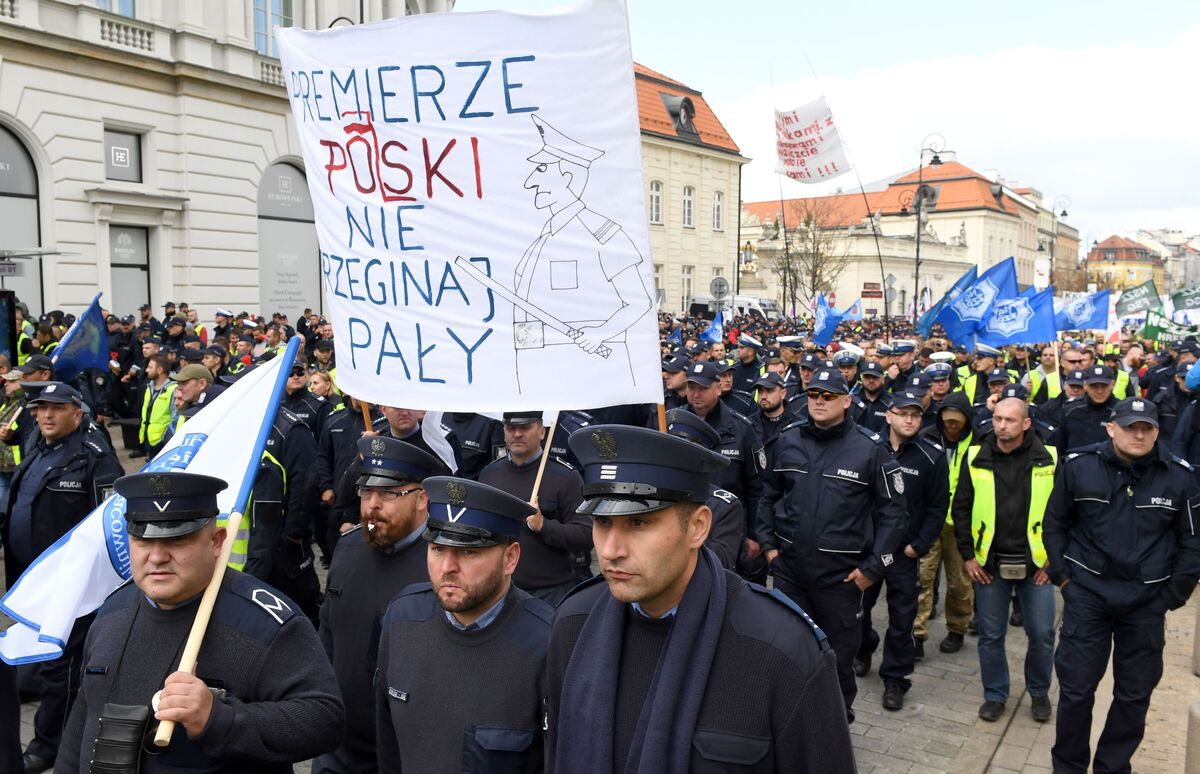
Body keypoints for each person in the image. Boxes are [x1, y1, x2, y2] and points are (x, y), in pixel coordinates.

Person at [547, 425, 856, 773]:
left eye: (638, 523)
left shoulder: (782, 650)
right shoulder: (573, 623)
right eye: (602, 521)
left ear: (697, 527)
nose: (610, 550)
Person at [56, 471, 344, 772]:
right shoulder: (113, 610)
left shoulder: (265, 623)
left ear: (217, 541)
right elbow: (83, 717)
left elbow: (324, 719)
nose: (157, 556)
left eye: (177, 539)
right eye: (143, 539)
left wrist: (219, 720)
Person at [1045, 398, 1200, 773]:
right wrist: (1065, 580)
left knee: (1134, 696)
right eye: (1131, 426)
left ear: (1157, 432)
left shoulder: (1179, 476)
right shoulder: (1079, 466)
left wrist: (1169, 596)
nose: (1139, 434)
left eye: (1147, 427)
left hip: (1146, 602)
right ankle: (1068, 767)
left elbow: (1193, 543)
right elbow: (1054, 525)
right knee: (1077, 691)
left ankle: (1112, 767)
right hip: (1087, 596)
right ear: (1112, 428)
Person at [757, 366, 908, 719]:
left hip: (840, 580)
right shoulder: (788, 439)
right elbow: (767, 497)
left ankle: (834, 738)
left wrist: (872, 569)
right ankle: (791, 731)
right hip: (790, 573)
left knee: (836, 664)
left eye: (827, 396)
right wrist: (770, 550)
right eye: (813, 395)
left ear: (846, 401)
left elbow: (894, 515)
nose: (819, 401)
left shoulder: (870, 450)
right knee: (788, 655)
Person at [374, 476, 552, 773]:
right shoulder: (403, 618)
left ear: (510, 558)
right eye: (438, 549)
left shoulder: (547, 643)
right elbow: (389, 744)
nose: (447, 568)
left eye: (469, 552)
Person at [3, 382, 123, 773]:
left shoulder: (95, 458)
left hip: (70, 585)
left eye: (56, 408)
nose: (46, 416)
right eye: (40, 409)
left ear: (78, 412)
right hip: (34, 578)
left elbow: (111, 525)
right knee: (41, 654)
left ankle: (49, 744)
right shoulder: (41, 446)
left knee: (62, 666)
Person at [314, 436, 447, 774]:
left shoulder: (443, 567)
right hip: (336, 748)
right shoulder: (347, 550)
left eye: (388, 494)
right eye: (366, 492)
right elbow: (329, 639)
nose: (372, 505)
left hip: (402, 755)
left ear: (422, 499)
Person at [952, 397, 1057, 723]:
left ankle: (1039, 692)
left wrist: (1054, 561)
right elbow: (961, 508)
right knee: (991, 636)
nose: (1001, 425)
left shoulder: (1049, 459)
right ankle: (995, 695)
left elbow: (1065, 513)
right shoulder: (976, 457)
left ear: (1026, 423)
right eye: (997, 418)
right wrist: (968, 557)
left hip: (1037, 565)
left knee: (1041, 634)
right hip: (989, 565)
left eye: (1010, 420)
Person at [855, 390, 949, 710]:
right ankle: (864, 647)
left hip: (902, 554)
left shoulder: (931, 455)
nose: (909, 419)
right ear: (888, 416)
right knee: (857, 610)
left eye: (915, 414)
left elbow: (938, 507)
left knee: (902, 619)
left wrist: (918, 546)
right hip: (868, 549)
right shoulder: (868, 447)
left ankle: (895, 679)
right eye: (903, 413)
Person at [478, 411, 590, 606]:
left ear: (541, 432)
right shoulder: (490, 475)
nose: (517, 433)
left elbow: (587, 535)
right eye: (511, 428)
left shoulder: (565, 477)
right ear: (504, 431)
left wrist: (543, 526)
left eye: (525, 427)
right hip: (500, 590)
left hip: (551, 592)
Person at [914, 391, 976, 656]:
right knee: (922, 579)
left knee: (959, 582)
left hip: (962, 524)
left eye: (957, 422)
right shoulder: (927, 437)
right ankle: (916, 633)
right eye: (948, 421)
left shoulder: (979, 444)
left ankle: (957, 629)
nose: (952, 427)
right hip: (930, 519)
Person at [665, 408, 745, 569]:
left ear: (701, 459)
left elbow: (720, 562)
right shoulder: (651, 495)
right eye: (669, 450)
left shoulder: (724, 507)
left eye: (682, 452)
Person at [1055, 365, 1118, 453]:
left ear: (1112, 385)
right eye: (1094, 386)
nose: (1099, 391)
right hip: (1074, 463)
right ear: (1085, 385)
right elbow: (1060, 445)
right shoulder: (1070, 410)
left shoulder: (1120, 411)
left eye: (1104, 386)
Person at [750, 372, 798, 445]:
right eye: (760, 391)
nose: (763, 396)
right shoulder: (749, 425)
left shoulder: (797, 425)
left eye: (769, 391)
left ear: (783, 394)